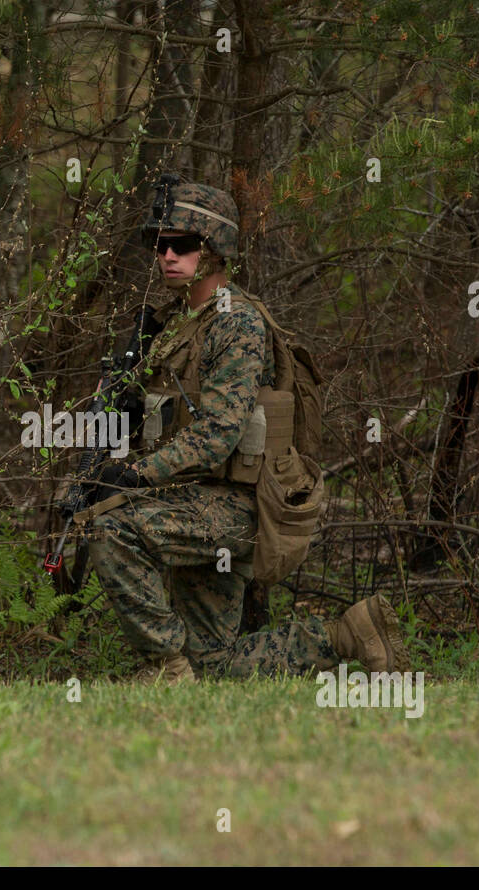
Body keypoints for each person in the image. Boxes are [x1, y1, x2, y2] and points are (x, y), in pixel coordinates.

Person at [85, 174, 409, 684]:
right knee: (214, 667)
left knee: (111, 527)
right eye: (161, 245)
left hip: (237, 507)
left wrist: (135, 476)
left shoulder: (235, 323)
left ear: (213, 252)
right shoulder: (175, 323)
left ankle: (166, 668)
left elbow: (219, 433)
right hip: (194, 501)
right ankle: (351, 634)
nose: (168, 256)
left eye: (183, 245)